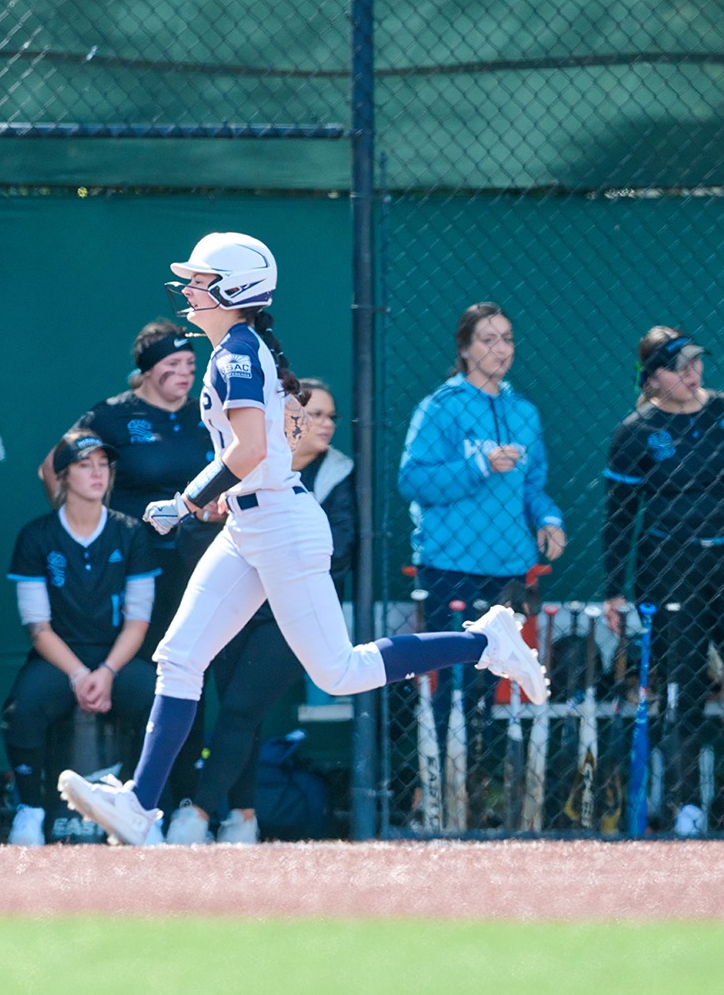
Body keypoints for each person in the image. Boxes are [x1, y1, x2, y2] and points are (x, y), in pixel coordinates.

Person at [57, 232, 546, 846]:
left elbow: (251, 450)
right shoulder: (235, 349)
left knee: (340, 671)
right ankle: (139, 803)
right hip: (249, 525)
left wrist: (186, 502)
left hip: (282, 528)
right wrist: (209, 502)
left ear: (234, 291)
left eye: (201, 282)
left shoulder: (236, 351)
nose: (187, 290)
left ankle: (483, 642)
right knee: (180, 657)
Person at [602, 326, 724, 832]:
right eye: (677, 365)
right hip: (670, 569)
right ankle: (686, 805)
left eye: (695, 361)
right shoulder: (635, 433)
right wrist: (613, 589)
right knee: (682, 688)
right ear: (652, 379)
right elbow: (620, 517)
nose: (692, 372)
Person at [398, 301, 566, 824]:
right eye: (488, 339)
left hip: (509, 569)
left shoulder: (524, 412)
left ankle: (484, 793)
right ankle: (438, 795)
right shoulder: (441, 407)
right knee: (455, 682)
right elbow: (413, 480)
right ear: (465, 348)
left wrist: (549, 519)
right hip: (451, 564)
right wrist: (477, 465)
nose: (500, 349)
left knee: (501, 684)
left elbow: (532, 485)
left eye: (507, 339)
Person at [165, 378, 353, 844]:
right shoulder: (240, 466)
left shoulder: (339, 476)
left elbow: (341, 550)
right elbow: (199, 547)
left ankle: (199, 815)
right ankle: (243, 818)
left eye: (332, 416)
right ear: (285, 419)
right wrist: (214, 521)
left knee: (241, 710)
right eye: (314, 414)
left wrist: (273, 543)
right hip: (237, 606)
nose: (324, 424)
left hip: (291, 613)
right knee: (233, 711)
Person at [43, 317, 220, 809]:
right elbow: (52, 468)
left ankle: (189, 799)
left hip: (204, 563)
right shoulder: (112, 417)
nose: (185, 374)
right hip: (139, 571)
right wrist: (90, 533)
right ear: (146, 370)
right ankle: (140, 796)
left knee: (197, 672)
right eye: (173, 365)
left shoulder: (206, 413)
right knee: (153, 675)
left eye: (190, 363)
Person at [5, 431, 161, 846]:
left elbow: (138, 621)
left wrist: (107, 672)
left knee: (162, 702)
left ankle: (146, 810)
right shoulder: (36, 536)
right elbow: (38, 627)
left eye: (103, 465)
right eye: (84, 465)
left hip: (118, 657)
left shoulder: (131, 533)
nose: (97, 473)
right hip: (59, 659)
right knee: (23, 708)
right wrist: (78, 674)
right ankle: (31, 809)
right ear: (62, 476)